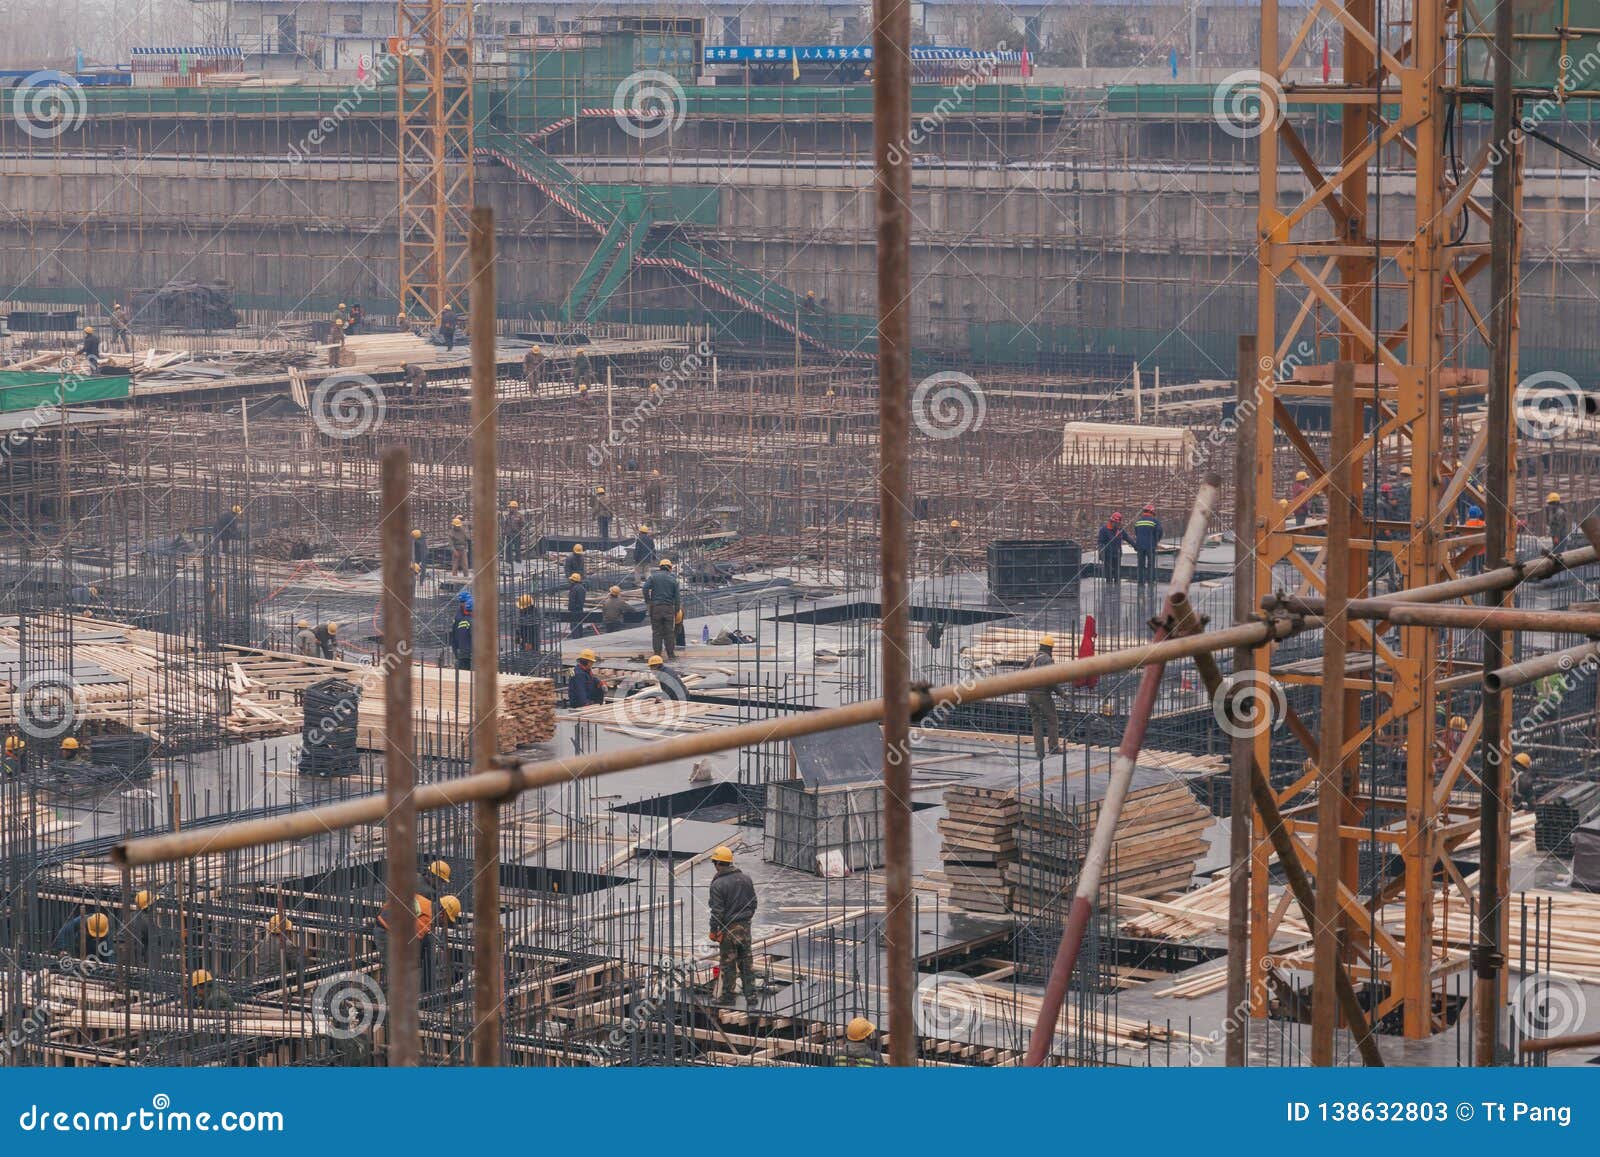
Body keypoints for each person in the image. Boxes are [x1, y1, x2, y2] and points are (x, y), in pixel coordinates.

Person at [707, 846, 758, 1007]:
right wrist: (745, 920)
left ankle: (728, 997)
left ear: (717, 863)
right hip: (745, 927)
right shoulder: (746, 878)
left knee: (728, 963)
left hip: (728, 929)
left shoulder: (718, 884)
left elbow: (717, 911)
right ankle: (751, 996)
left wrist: (714, 930)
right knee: (746, 962)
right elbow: (754, 903)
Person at [1024, 635, 1068, 759]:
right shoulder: (1047, 660)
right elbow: (1051, 680)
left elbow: (1021, 675)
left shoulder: (1031, 658)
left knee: (1036, 722)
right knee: (1052, 720)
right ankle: (1053, 747)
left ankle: (1039, 751)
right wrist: (1061, 693)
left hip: (1030, 696)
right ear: (1050, 648)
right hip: (1042, 696)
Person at [643, 559, 681, 660]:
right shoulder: (673, 579)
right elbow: (677, 597)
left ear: (660, 567)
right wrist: (676, 610)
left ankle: (657, 655)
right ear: (669, 568)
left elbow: (645, 588)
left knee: (657, 632)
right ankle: (671, 655)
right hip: (668, 608)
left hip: (656, 608)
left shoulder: (653, 577)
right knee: (669, 632)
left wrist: (648, 601)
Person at [257, 914, 307, 979]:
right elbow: (297, 964)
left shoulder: (264, 941)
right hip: (276, 981)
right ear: (286, 930)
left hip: (261, 977)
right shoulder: (286, 944)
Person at [1131, 505, 1162, 585]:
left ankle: (1140, 581)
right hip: (1150, 546)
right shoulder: (1155, 521)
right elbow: (1159, 532)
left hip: (1140, 546)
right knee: (1150, 564)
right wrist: (1156, 541)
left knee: (1140, 565)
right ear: (1151, 512)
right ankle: (1150, 581)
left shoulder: (1138, 522)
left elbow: (1136, 533)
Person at [1097, 513, 1126, 584]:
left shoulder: (1119, 529)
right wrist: (1101, 552)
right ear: (1113, 521)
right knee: (1108, 574)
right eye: (1116, 523)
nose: (1118, 525)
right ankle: (1108, 588)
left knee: (1117, 574)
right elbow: (1100, 542)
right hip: (1108, 555)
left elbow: (1127, 537)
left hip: (1117, 554)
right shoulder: (1104, 530)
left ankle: (1117, 585)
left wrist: (1136, 546)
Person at [450, 593, 473, 669]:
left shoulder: (464, 616)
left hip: (464, 650)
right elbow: (456, 635)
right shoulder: (459, 617)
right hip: (464, 650)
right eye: (463, 602)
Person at [1463, 505, 1487, 575]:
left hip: (1470, 550)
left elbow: (1464, 536)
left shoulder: (1466, 524)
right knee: (1482, 565)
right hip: (1481, 549)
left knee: (1474, 568)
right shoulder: (1482, 523)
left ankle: (1474, 577)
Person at [501, 501, 526, 566]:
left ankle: (518, 560)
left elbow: (523, 524)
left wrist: (521, 531)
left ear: (515, 508)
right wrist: (504, 532)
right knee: (508, 548)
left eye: (512, 507)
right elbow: (505, 524)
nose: (511, 509)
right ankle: (508, 560)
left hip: (516, 534)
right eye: (510, 507)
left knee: (517, 548)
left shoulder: (520, 515)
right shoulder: (508, 515)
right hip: (509, 534)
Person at [566, 573, 589, 639]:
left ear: (573, 580)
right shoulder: (582, 588)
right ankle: (580, 638)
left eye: (571, 580)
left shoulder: (574, 588)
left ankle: (576, 639)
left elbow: (572, 601)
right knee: (579, 626)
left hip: (574, 610)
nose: (570, 581)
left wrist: (570, 609)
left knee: (574, 627)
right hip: (580, 609)